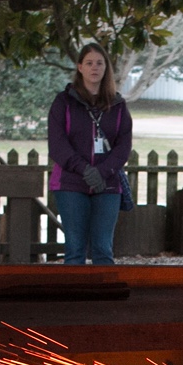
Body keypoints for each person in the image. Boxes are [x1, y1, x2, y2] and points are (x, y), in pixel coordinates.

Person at [47, 42, 132, 265]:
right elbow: (57, 145)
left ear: (106, 68)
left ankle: (105, 298)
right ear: (80, 68)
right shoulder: (63, 102)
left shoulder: (118, 105)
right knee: (75, 248)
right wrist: (84, 169)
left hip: (108, 183)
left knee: (103, 248)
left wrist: (103, 172)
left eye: (100, 63)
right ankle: (74, 298)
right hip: (71, 182)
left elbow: (123, 145)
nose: (94, 68)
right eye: (89, 63)